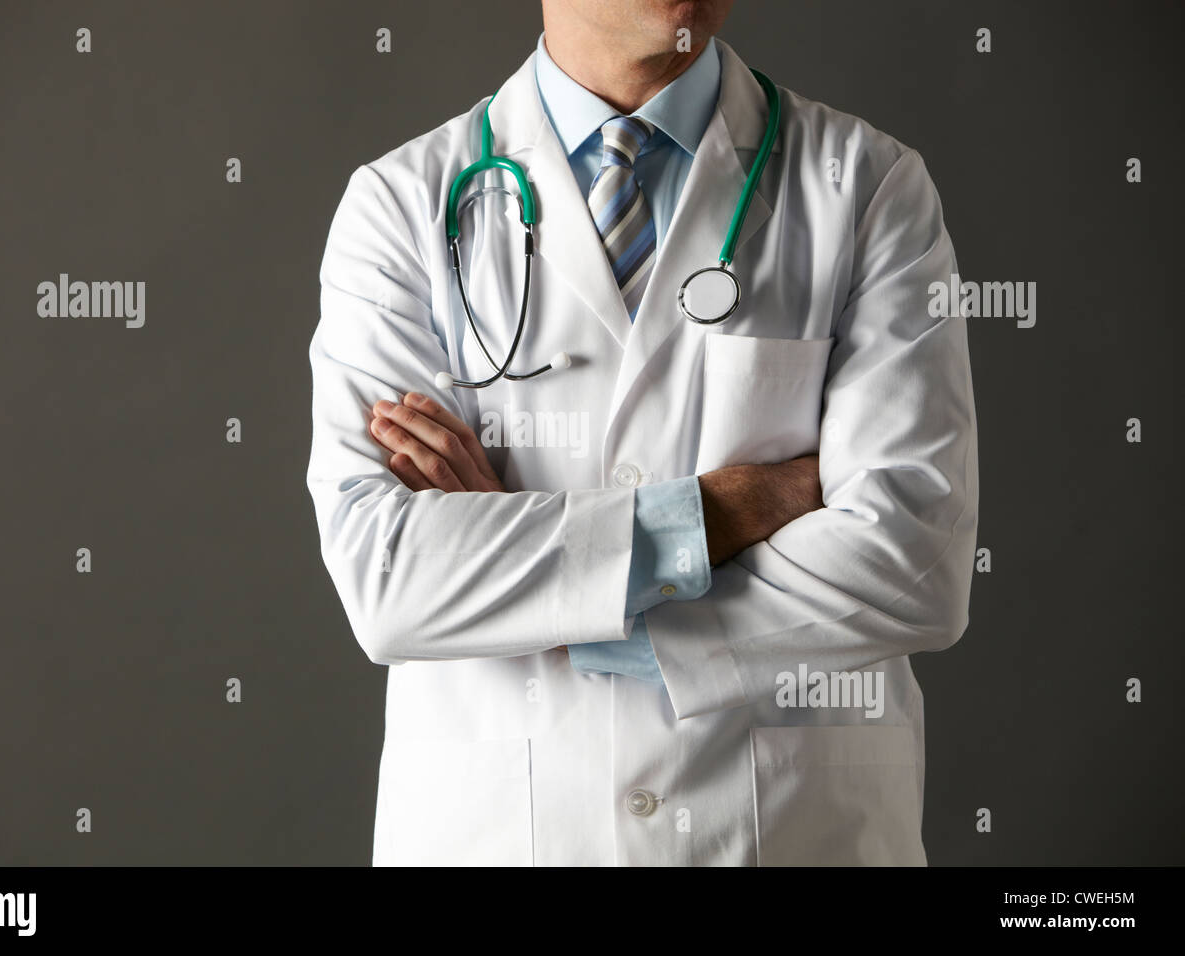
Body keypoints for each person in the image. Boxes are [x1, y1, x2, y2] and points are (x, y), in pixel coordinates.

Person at [307, 0, 978, 865]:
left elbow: (915, 562)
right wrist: (725, 510)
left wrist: (548, 591)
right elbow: (390, 579)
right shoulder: (400, 206)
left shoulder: (869, 184)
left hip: (792, 832)